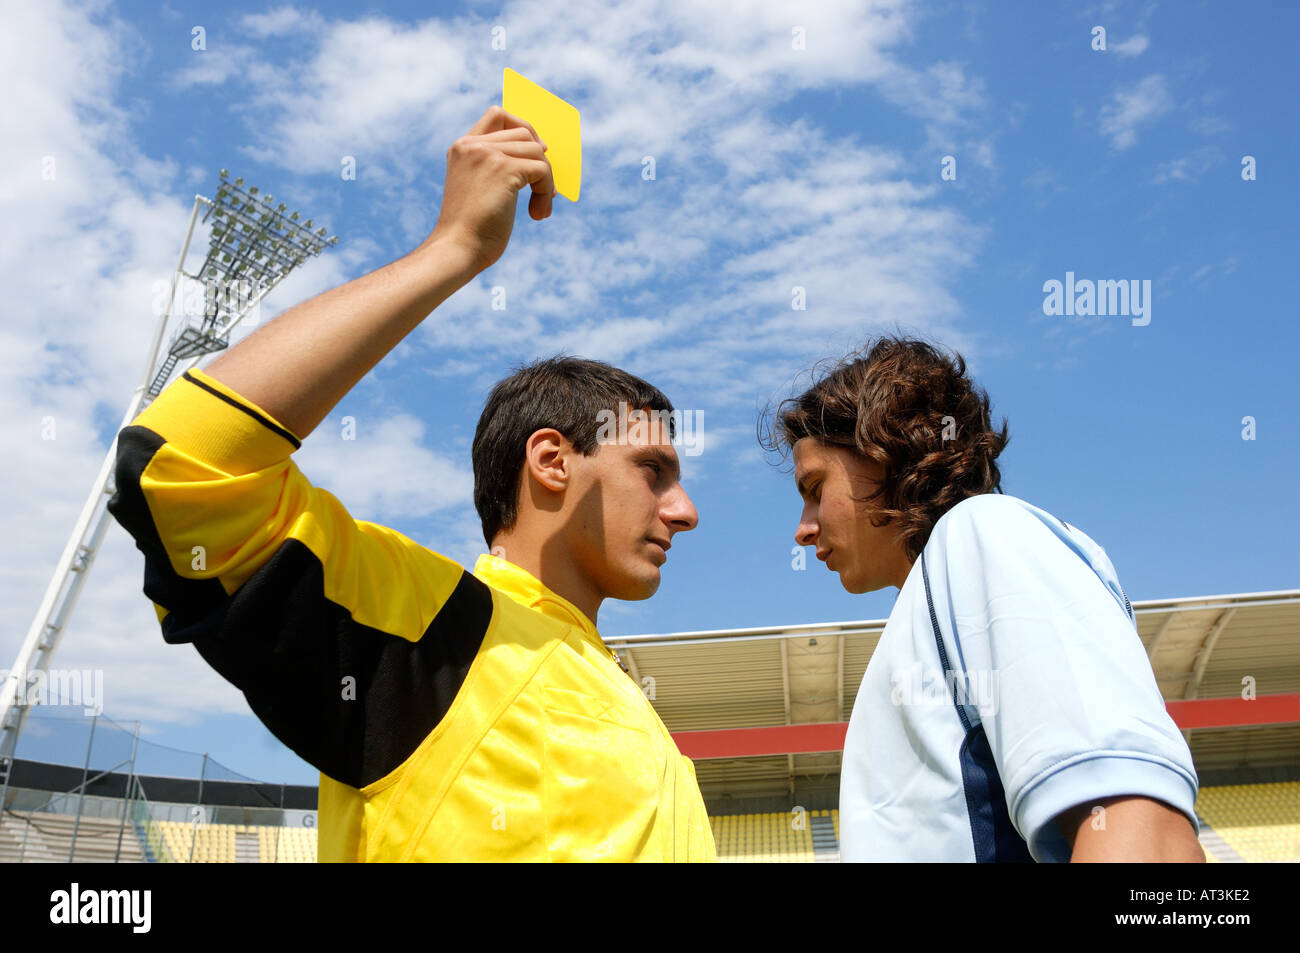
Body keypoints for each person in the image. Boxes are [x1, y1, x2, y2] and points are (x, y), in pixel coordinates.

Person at [108, 106, 715, 862]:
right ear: (553, 461)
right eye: (653, 471)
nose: (684, 511)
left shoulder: (626, 694)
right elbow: (177, 465)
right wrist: (453, 248)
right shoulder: (435, 626)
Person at [765, 334, 1203, 862]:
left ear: (884, 454)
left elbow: (1141, 828)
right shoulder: (931, 603)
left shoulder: (985, 532)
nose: (804, 529)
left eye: (815, 489)